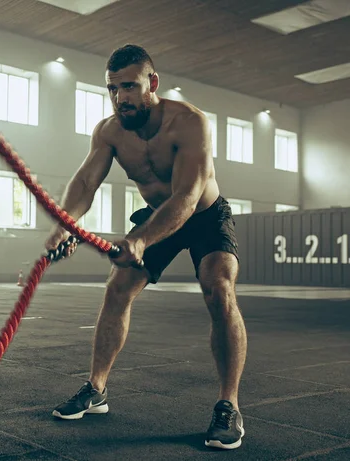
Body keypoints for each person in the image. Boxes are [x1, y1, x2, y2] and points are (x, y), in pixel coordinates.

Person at [45, 44, 248, 450]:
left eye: (129, 87)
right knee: (117, 289)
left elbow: (188, 197)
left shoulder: (189, 122)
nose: (120, 97)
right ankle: (96, 389)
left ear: (152, 83)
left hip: (204, 215)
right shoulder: (109, 132)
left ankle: (229, 405)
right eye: (112, 89)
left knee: (218, 286)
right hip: (158, 215)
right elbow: (85, 183)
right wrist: (64, 226)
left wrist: (139, 239)